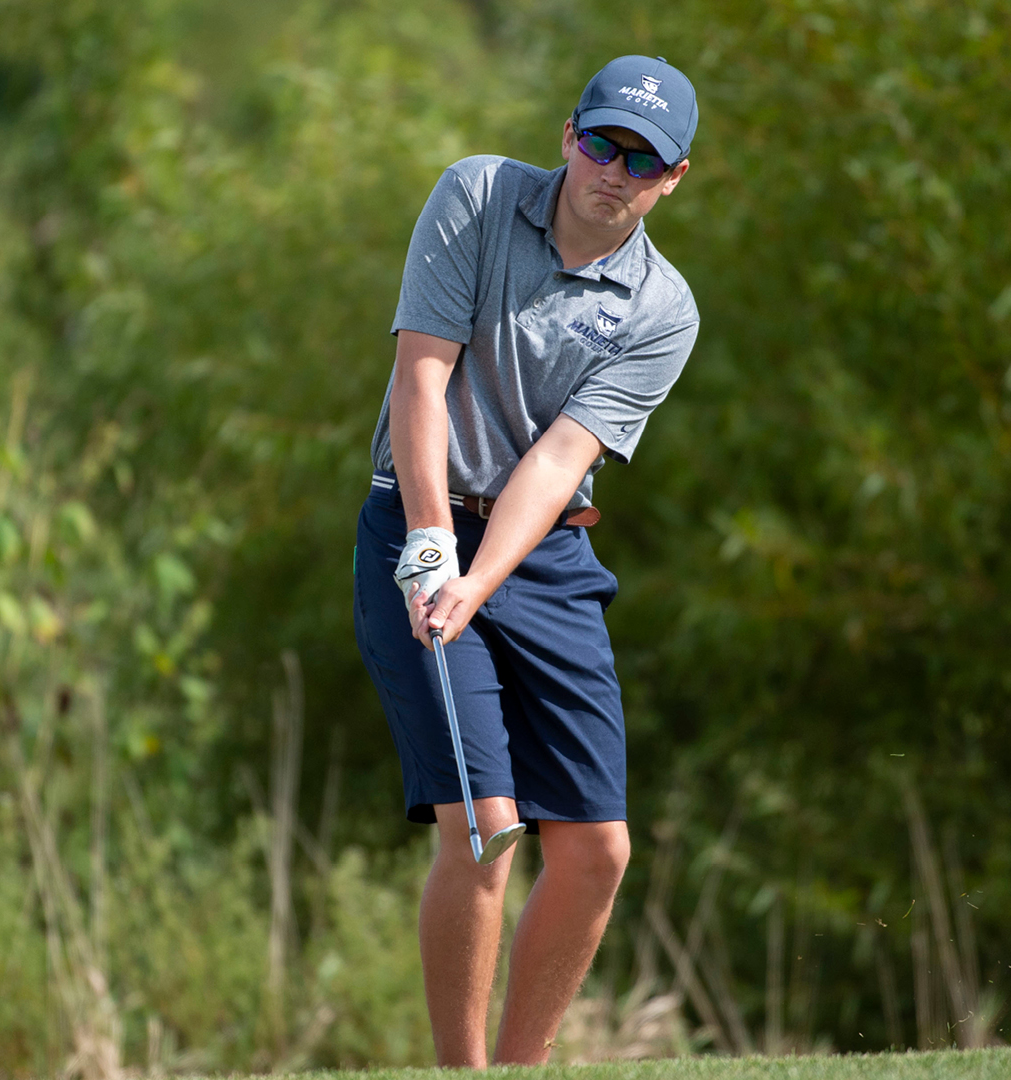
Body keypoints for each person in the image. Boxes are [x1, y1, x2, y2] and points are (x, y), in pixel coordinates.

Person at [351, 55, 701, 1066]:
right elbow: (423, 373)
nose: (616, 172)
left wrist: (478, 578)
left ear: (675, 178)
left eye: (644, 161)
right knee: (486, 827)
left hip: (542, 554)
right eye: (604, 144)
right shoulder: (476, 194)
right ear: (568, 136)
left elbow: (558, 462)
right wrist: (429, 547)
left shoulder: (661, 311)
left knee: (598, 850)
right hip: (414, 517)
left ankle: (522, 1068)